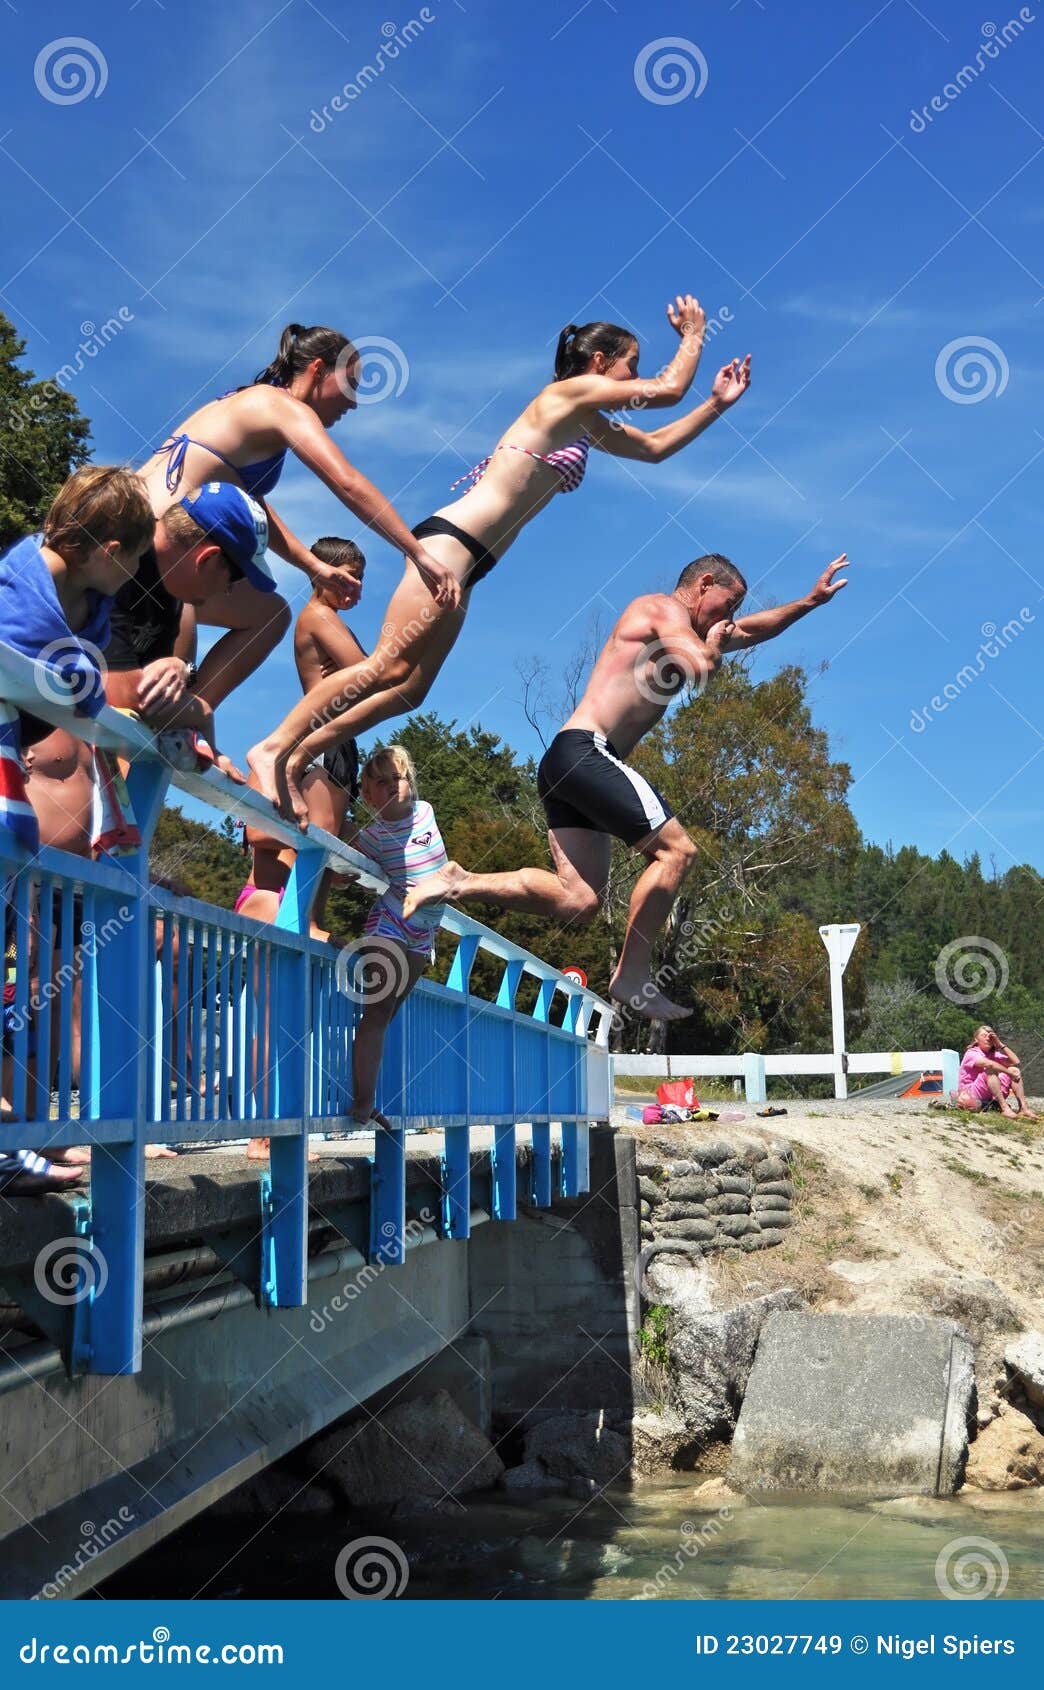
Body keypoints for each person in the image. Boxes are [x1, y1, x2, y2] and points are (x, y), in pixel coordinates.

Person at [247, 295, 752, 825]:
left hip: (472, 564)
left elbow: (654, 446)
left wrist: (715, 404)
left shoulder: (584, 420)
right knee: (383, 665)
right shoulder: (565, 394)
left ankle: (298, 754)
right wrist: (694, 334)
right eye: (631, 366)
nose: (634, 378)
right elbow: (667, 391)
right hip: (448, 545)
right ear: (599, 363)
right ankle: (275, 749)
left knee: (408, 689)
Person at [403, 551, 850, 1020]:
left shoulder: (689, 629)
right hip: (586, 751)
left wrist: (809, 602)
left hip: (567, 764)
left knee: (579, 900)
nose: (730, 618)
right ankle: (632, 974)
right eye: (726, 605)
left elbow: (754, 630)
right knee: (678, 852)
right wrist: (713, 646)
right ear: (704, 582)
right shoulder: (661, 609)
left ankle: (459, 881)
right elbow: (702, 667)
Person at [136, 323, 456, 713]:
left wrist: (313, 566)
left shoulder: (246, 405)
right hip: (150, 551)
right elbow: (348, 483)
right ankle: (179, 721)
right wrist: (418, 554)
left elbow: (251, 506)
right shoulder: (279, 406)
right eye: (351, 385)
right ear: (318, 369)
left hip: (144, 547)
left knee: (268, 615)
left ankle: (192, 715)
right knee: (184, 621)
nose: (354, 403)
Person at [0, 464, 155, 1194]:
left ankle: (12, 1137)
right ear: (111, 547)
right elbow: (74, 687)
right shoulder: (19, 586)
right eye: (136, 561)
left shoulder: (88, 598)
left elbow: (89, 691)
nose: (136, 578)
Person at [236, 536, 367, 937]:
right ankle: (306, 921)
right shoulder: (319, 617)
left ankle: (311, 921)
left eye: (360, 580)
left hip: (338, 742)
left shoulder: (332, 620)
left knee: (325, 853)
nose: (355, 588)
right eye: (346, 578)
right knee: (318, 845)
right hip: (321, 736)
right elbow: (369, 672)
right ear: (320, 574)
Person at [102, 481, 275, 775]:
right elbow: (122, 692)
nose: (227, 592)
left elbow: (154, 696)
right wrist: (203, 716)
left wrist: (180, 667)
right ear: (208, 558)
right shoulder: (123, 558)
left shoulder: (168, 586)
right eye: (233, 580)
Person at [343, 745, 448, 1129]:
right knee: (376, 1012)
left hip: (425, 932)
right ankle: (362, 1102)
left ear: (410, 782)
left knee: (386, 1016)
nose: (391, 787)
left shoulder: (426, 812)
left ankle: (367, 1098)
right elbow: (344, 858)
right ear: (368, 796)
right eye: (380, 783)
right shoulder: (374, 835)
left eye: (397, 779)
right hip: (390, 920)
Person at [954, 1026, 1038, 1120]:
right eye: (984, 1035)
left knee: (1014, 1070)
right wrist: (1009, 1073)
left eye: (990, 1037)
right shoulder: (971, 1053)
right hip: (971, 1093)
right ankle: (1004, 1108)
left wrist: (1000, 1044)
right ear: (976, 1039)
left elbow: (1016, 1062)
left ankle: (1024, 1108)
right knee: (991, 1069)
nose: (987, 1038)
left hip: (989, 1092)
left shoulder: (993, 1054)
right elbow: (989, 1064)